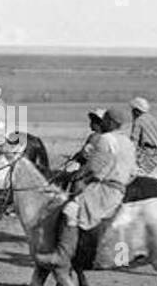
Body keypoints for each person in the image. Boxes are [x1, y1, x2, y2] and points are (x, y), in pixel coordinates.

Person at [37, 107, 136, 272]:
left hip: (104, 190)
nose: (102, 122)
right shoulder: (128, 142)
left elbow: (94, 168)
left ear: (110, 122)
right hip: (121, 189)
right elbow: (133, 172)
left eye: (104, 119)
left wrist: (79, 178)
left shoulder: (106, 139)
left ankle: (64, 254)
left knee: (70, 208)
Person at [130, 96, 157, 175]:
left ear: (136, 111)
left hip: (150, 156)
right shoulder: (152, 118)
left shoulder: (138, 121)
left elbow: (133, 143)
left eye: (133, 110)